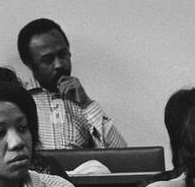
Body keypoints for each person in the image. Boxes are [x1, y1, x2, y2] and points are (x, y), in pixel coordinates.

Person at [16, 18, 125, 149]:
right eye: (48, 59)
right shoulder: (18, 103)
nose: (59, 64)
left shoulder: (83, 105)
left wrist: (86, 104)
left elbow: (122, 157)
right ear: (29, 63)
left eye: (63, 55)